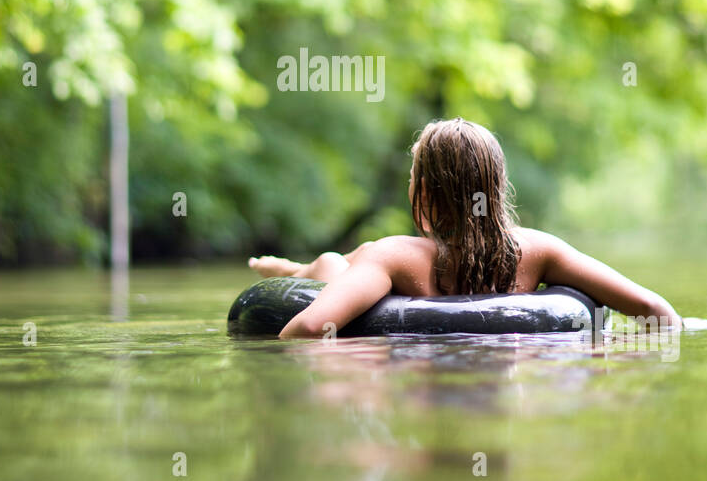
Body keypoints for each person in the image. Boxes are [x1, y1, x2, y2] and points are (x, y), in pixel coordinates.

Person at [248, 117, 681, 340]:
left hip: (366, 268)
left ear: (426, 193)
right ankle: (294, 270)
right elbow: (661, 314)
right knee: (332, 263)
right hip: (361, 272)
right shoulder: (539, 252)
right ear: (495, 189)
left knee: (336, 260)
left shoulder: (394, 256)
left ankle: (301, 266)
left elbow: (305, 330)